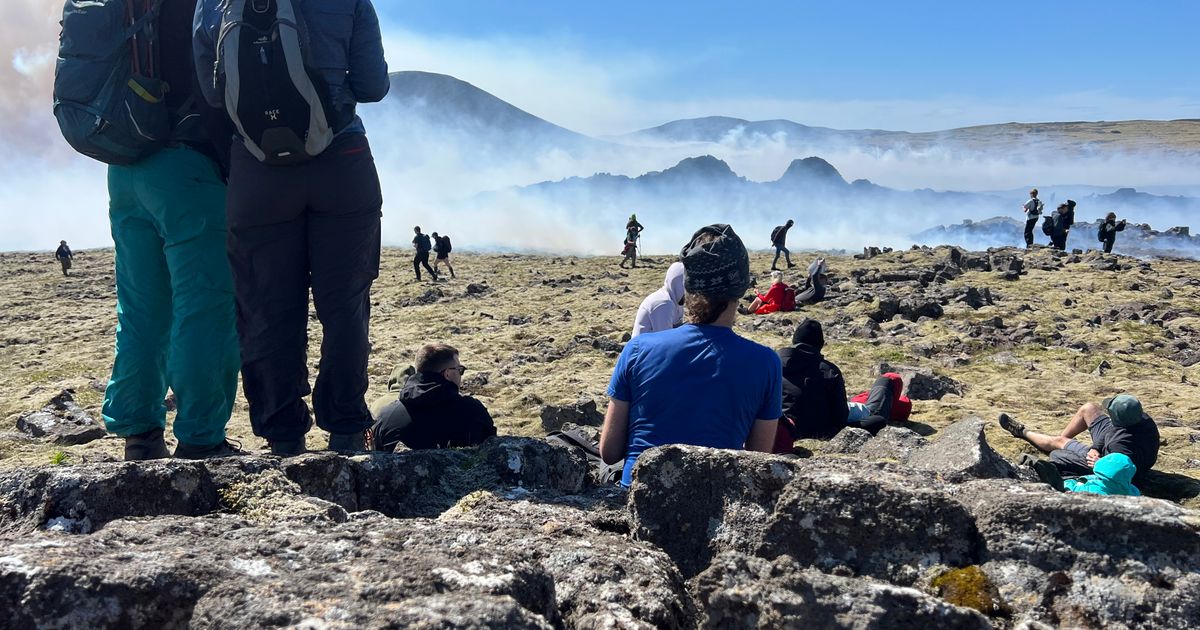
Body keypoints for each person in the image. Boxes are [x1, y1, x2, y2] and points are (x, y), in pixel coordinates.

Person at [194, 0, 390, 455]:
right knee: (345, 305)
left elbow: (210, 91)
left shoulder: (213, 2)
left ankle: (282, 435)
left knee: (265, 307)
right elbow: (373, 86)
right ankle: (344, 430)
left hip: (258, 170)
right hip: (341, 160)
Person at [98, 0, 241, 461]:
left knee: (140, 309)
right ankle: (201, 438)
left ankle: (138, 435)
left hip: (124, 168)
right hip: (187, 169)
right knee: (203, 305)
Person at [600, 224, 781, 487]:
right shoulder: (766, 363)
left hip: (637, 502)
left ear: (688, 286)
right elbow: (757, 460)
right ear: (740, 286)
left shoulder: (637, 350)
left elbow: (609, 451)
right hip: (717, 507)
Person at [772, 320, 894, 452]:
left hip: (783, 429)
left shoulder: (771, 366)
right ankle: (885, 383)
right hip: (823, 430)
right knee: (877, 419)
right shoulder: (829, 371)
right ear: (821, 345)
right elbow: (840, 417)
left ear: (794, 340)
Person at [998, 394, 1160, 485]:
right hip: (1112, 446)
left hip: (1109, 464)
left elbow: (1118, 472)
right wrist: (1096, 447)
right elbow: (1111, 432)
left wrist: (1098, 463)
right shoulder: (1141, 418)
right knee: (1089, 409)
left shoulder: (1119, 446)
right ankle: (1060, 439)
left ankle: (1023, 432)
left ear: (1116, 421)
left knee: (1056, 454)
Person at [369, 343, 496, 452]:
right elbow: (492, 451)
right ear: (447, 374)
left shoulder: (387, 415)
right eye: (459, 369)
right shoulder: (472, 411)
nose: (460, 374)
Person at [631, 262, 685, 338]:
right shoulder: (664, 303)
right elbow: (665, 341)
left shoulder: (676, 300)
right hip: (646, 348)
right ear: (678, 283)